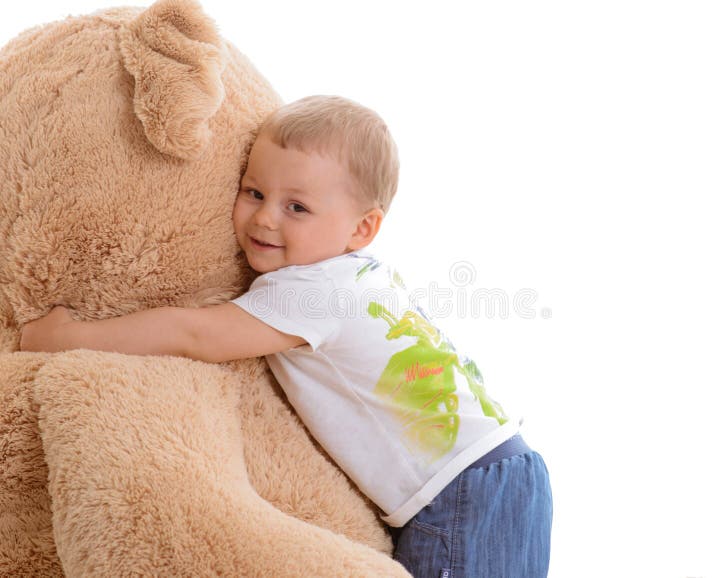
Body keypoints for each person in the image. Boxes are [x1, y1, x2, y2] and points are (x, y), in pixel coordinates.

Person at [20, 95, 552, 577]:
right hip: (503, 468)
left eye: (296, 207)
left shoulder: (311, 290)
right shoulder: (359, 275)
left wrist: (68, 337)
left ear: (361, 228)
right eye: (254, 192)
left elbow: (196, 334)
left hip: (462, 489)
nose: (265, 219)